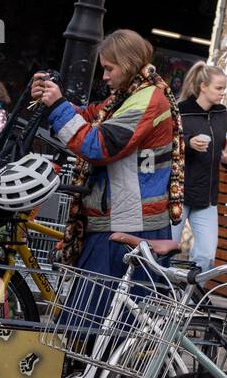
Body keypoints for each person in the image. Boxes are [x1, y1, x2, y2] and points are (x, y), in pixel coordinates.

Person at [30, 30, 185, 278]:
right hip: (121, 221)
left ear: (128, 64)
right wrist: (52, 101)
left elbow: (99, 146)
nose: (104, 76)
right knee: (95, 312)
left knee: (97, 313)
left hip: (130, 225)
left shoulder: (147, 100)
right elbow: (89, 116)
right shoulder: (132, 95)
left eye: (109, 68)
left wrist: (59, 107)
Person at [178, 62, 227, 271]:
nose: (223, 93)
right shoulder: (181, 112)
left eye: (224, 88)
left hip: (207, 198)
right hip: (177, 195)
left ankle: (189, 299)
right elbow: (165, 142)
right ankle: (157, 293)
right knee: (165, 250)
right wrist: (188, 142)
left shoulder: (222, 114)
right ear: (203, 86)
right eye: (219, 88)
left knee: (206, 257)